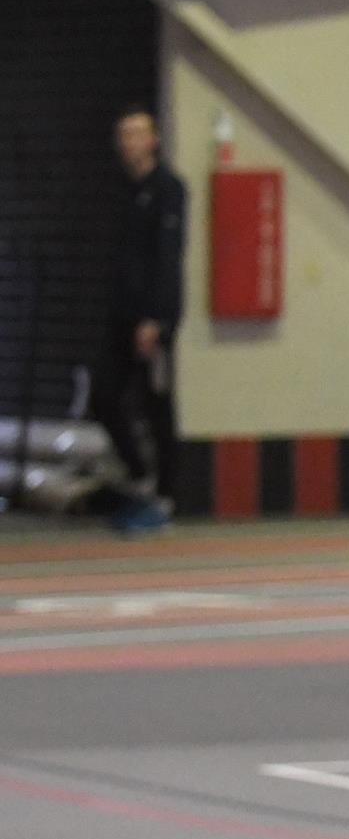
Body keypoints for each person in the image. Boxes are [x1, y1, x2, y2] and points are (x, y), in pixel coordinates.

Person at [90, 107, 186, 533]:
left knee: (155, 403)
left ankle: (165, 494)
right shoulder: (118, 191)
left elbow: (168, 258)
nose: (129, 142)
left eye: (136, 134)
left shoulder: (168, 190)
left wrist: (157, 320)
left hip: (152, 320)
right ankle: (138, 472)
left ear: (153, 140)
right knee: (104, 394)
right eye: (122, 135)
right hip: (120, 316)